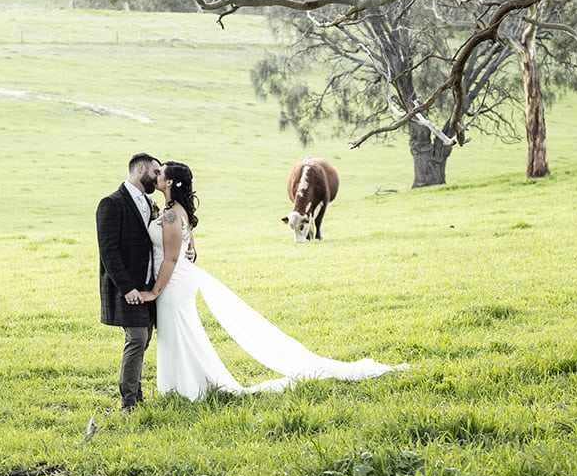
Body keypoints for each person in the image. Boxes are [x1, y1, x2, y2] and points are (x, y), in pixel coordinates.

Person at [138, 161, 402, 399]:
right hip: (179, 280)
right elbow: (187, 244)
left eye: (160, 173)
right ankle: (182, 386)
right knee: (180, 333)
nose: (156, 175)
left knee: (177, 332)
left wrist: (153, 292)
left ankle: (186, 388)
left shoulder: (172, 214)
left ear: (170, 182)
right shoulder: (175, 210)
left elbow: (171, 259)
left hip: (172, 283)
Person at [96, 153, 163, 411]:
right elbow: (108, 251)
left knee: (144, 337)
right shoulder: (111, 203)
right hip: (127, 286)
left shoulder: (150, 204)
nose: (158, 179)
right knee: (136, 337)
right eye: (156, 172)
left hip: (149, 286)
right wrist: (127, 288)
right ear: (141, 169)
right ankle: (129, 401)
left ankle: (137, 391)